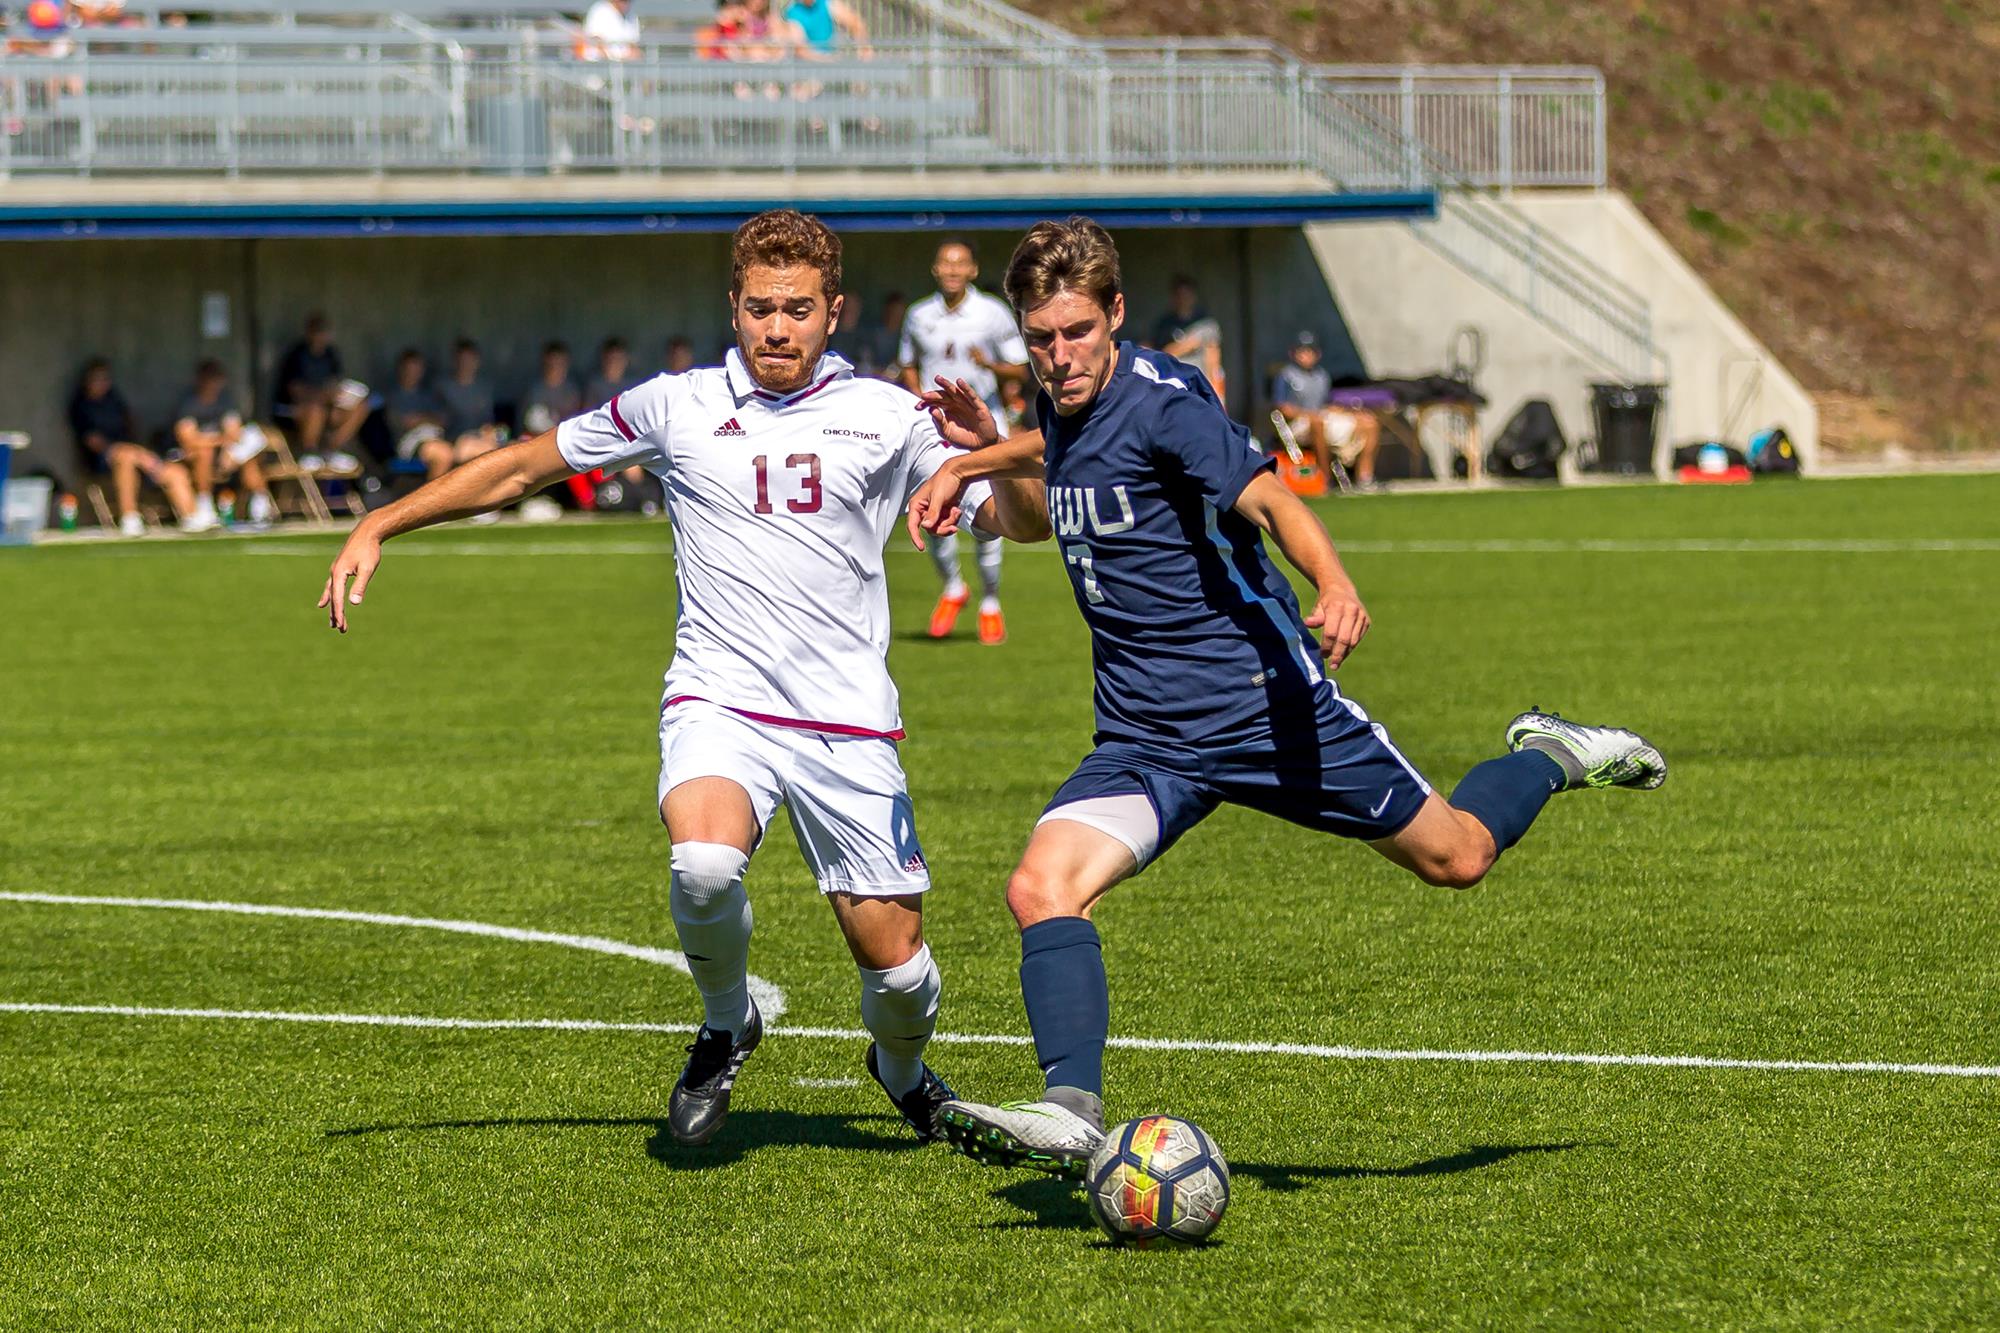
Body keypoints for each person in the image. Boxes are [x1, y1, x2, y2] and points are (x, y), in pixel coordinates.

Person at [906, 216, 1667, 1176]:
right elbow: (1035, 518)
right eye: (1042, 338)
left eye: (1078, 333)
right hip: (1146, 736)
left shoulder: (1166, 404)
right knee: (1040, 886)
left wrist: (1334, 582)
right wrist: (984, 453)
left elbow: (1271, 498)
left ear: (1117, 314)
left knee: (1459, 857)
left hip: (1263, 706)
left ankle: (1551, 751)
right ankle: (1069, 1109)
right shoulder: (1064, 401)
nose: (1060, 356)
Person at [316, 209, 1025, 1149]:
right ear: (734, 307)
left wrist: (999, 448)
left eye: (799, 309)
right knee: (702, 863)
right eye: (762, 308)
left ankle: (900, 1071)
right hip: (720, 698)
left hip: (847, 720)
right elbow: (524, 469)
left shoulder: (891, 414)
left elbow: (1019, 522)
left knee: (897, 973)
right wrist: (381, 521)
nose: (779, 328)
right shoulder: (675, 404)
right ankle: (728, 1023)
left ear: (834, 311)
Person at [899, 239, 1028, 645]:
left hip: (984, 430)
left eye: (960, 264)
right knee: (933, 514)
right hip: (935, 431)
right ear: (935, 269)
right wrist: (917, 397)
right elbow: (908, 364)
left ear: (973, 270)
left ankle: (990, 603)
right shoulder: (918, 314)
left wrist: (988, 364)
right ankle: (954, 588)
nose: (953, 270)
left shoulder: (992, 312)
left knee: (990, 517)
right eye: (946, 264)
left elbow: (1020, 370)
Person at [66, 357, 196, 536]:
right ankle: (130, 518)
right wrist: (134, 452)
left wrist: (141, 453)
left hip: (136, 455)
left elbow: (131, 430)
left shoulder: (114, 401)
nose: (102, 383)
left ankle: (192, 517)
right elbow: (93, 441)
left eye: (105, 379)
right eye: (97, 379)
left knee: (175, 471)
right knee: (125, 456)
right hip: (102, 459)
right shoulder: (81, 406)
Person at [174, 359, 276, 531]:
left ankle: (261, 505)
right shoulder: (189, 403)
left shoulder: (226, 401)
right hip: (193, 454)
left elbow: (234, 432)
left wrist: (227, 448)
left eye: (217, 379)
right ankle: (204, 506)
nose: (213, 384)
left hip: (224, 455)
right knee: (205, 452)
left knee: (249, 457)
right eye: (209, 378)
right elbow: (188, 438)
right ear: (200, 379)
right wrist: (218, 441)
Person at [1273, 329, 1381, 490]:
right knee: (1318, 422)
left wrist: (1344, 411)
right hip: (1298, 424)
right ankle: (1325, 478)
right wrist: (1309, 415)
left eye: (1310, 351)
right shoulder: (1286, 375)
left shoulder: (1321, 376)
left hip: (1322, 417)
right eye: (1302, 351)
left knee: (1369, 422)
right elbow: (1281, 409)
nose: (1306, 355)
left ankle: (1365, 478)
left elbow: (1325, 405)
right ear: (1293, 353)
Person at [275, 312, 368, 472]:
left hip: (328, 404)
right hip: (296, 409)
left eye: (324, 332)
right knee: (316, 409)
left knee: (361, 407)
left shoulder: (331, 354)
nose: (321, 336)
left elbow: (335, 382)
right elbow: (295, 391)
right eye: (317, 331)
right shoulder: (296, 355)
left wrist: (339, 394)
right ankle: (309, 452)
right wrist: (322, 395)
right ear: (309, 333)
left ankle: (331, 450)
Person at [381, 348, 459, 482]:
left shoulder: (427, 395)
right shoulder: (394, 396)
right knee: (443, 453)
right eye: (409, 369)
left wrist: (421, 418)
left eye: (416, 369)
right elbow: (407, 422)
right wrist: (429, 418)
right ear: (401, 369)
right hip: (408, 445)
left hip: (436, 437)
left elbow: (443, 420)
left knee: (466, 451)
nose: (412, 373)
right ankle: (434, 496)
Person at [1150, 274, 1226, 404]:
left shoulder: (1206, 324)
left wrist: (1217, 396)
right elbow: (1159, 354)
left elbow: (1214, 363)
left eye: (1187, 295)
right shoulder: (1165, 324)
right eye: (1179, 295)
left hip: (1200, 385)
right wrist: (1189, 345)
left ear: (1194, 296)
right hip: (1173, 386)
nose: (1183, 300)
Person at [436, 338, 504, 456]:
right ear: (455, 361)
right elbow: (438, 422)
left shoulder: (485, 387)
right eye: (462, 360)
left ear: (477, 361)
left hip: (481, 439)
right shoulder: (443, 387)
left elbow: (488, 422)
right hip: (455, 442)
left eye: (470, 359)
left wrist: (490, 432)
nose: (466, 364)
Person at [519, 341, 582, 440]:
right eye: (551, 363)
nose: (555, 368)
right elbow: (523, 427)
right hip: (537, 440)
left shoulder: (573, 391)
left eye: (559, 363)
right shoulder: (533, 391)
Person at [784, 0, 867, 56]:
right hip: (809, 67)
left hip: (831, 60)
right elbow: (801, 51)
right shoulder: (792, 12)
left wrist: (863, 47)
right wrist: (828, 60)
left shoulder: (827, 3)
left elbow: (856, 23)